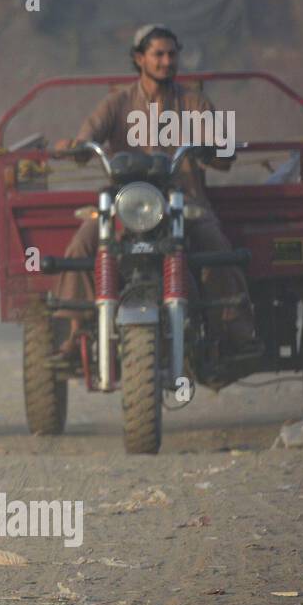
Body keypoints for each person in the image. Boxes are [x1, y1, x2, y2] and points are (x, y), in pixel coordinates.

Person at [52, 24, 261, 357]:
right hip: (126, 204)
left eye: (172, 54)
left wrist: (215, 148)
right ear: (139, 59)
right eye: (158, 55)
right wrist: (74, 146)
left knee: (216, 246)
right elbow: (85, 139)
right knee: (81, 245)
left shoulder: (195, 103)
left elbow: (224, 155)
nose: (167, 62)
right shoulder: (116, 103)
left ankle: (235, 324)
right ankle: (76, 333)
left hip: (183, 200)